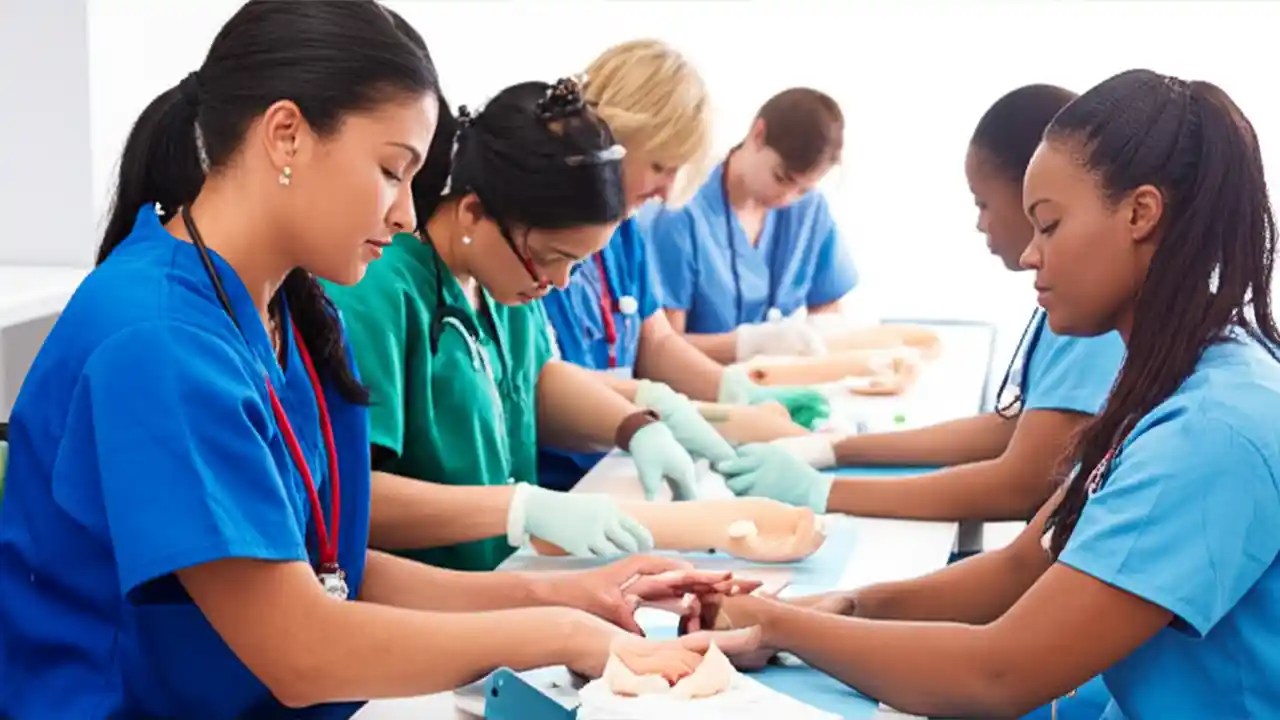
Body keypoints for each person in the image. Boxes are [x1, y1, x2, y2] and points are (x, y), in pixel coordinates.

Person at [0, 3, 755, 717]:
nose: (403, 212)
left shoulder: (286, 308)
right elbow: (300, 647)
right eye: (393, 171)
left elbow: (330, 572)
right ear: (286, 135)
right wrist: (562, 634)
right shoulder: (159, 343)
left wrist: (573, 596)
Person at [694, 69, 1280, 719]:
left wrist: (783, 626)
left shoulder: (1213, 430)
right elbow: (1025, 565)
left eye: (1050, 226)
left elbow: (999, 673)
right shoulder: (1171, 379)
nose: (1030, 255)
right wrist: (852, 607)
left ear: (1140, 213)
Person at [719, 85, 1126, 538]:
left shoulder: (1093, 321)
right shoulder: (1070, 304)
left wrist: (826, 491)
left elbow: (1021, 482)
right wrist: (836, 449)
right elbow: (1010, 429)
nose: (980, 223)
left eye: (983, 203)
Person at [539, 41, 833, 492]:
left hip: (619, 462)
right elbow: (542, 382)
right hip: (563, 480)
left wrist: (737, 392)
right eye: (659, 165)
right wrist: (675, 411)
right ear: (611, 136)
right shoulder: (538, 234)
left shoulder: (625, 230)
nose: (666, 190)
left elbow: (653, 340)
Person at [643, 87, 858, 364]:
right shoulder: (680, 212)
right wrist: (748, 345)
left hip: (786, 385)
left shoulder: (811, 211)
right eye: (782, 178)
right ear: (758, 135)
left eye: (803, 190)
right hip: (704, 394)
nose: (788, 199)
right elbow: (662, 348)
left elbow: (827, 306)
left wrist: (817, 336)